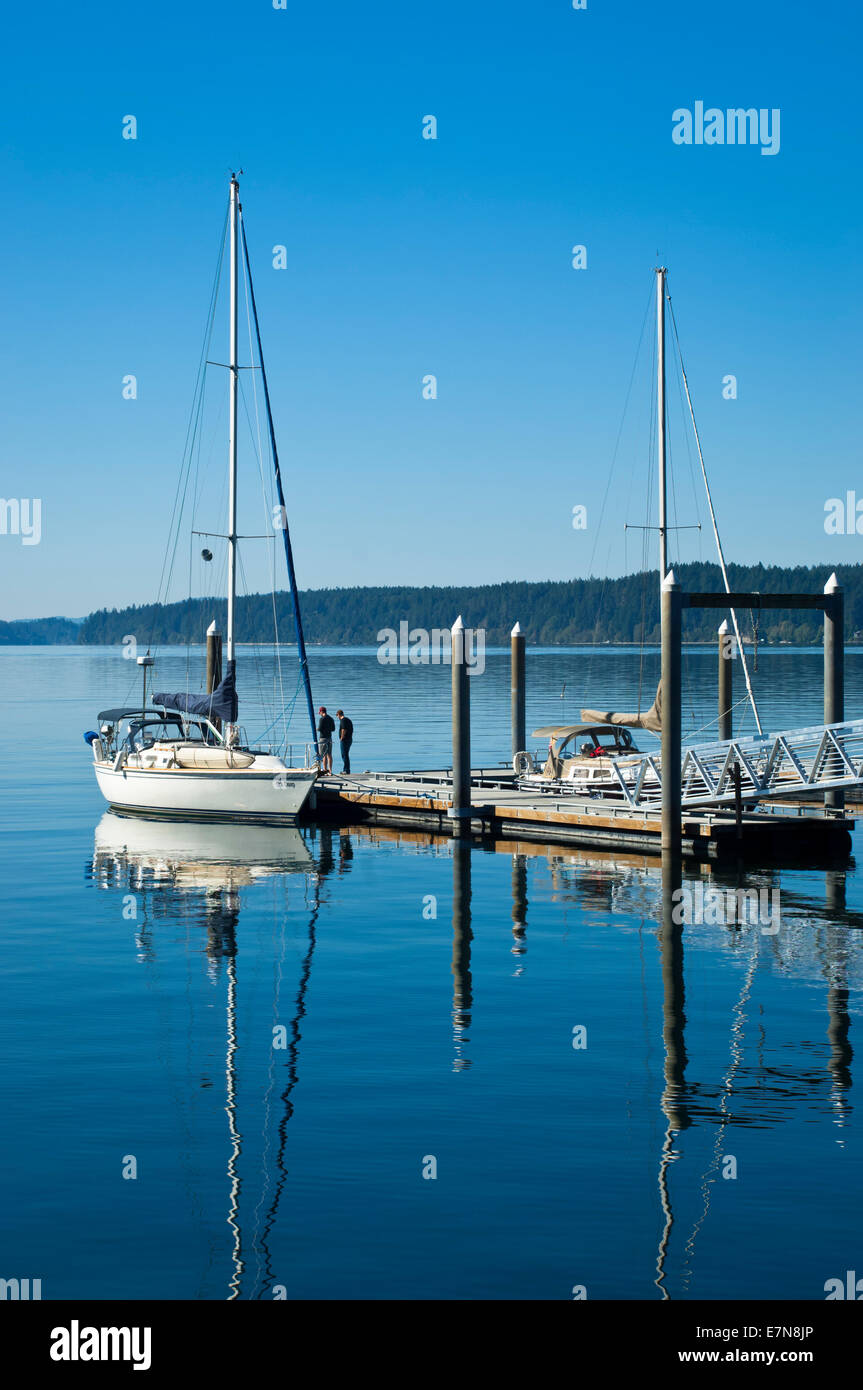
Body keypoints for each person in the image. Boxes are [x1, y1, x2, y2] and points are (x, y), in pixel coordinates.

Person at [317, 705, 335, 773]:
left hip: (323, 738)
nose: (320, 714)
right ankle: (330, 770)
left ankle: (325, 769)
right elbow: (333, 729)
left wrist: (317, 729)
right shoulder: (331, 718)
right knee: (329, 754)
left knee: (323, 755)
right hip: (329, 738)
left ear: (322, 712)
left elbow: (320, 728)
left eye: (320, 712)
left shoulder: (322, 719)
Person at [336, 709, 353, 773]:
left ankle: (346, 770)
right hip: (349, 739)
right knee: (346, 754)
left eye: (337, 715)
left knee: (344, 755)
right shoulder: (348, 720)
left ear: (339, 714)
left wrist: (341, 737)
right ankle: (347, 769)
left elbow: (343, 729)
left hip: (345, 740)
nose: (337, 717)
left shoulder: (343, 720)